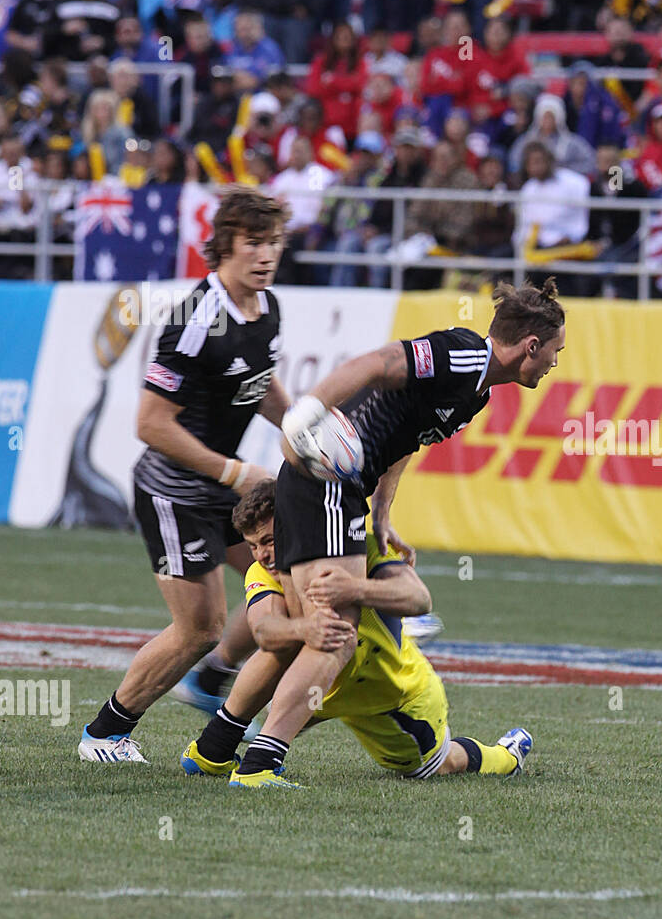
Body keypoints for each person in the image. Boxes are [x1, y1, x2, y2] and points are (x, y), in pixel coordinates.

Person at [226, 279, 566, 786]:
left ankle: (214, 747)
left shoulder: (476, 395)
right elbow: (379, 363)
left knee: (315, 632)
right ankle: (257, 764)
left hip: (342, 490)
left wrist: (383, 509)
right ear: (530, 347)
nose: (555, 364)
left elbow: (406, 435)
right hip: (329, 481)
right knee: (333, 637)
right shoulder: (464, 354)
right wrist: (308, 412)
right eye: (555, 352)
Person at [78, 190, 293, 764]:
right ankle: (105, 734)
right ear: (224, 244)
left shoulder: (266, 307)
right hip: (173, 492)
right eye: (254, 242)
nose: (266, 253)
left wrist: (301, 427)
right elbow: (150, 422)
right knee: (199, 625)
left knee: (286, 579)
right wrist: (234, 470)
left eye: (274, 241)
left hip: (224, 489)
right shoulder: (196, 319)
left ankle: (213, 679)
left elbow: (260, 383)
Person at [179, 480, 530, 784]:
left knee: (436, 766)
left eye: (269, 540)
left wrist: (354, 590)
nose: (263, 555)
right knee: (279, 643)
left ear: (294, 523)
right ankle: (216, 752)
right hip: (315, 686)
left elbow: (419, 599)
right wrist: (305, 627)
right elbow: (264, 630)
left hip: (386, 696)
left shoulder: (355, 545)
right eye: (253, 545)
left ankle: (505, 756)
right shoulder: (265, 570)